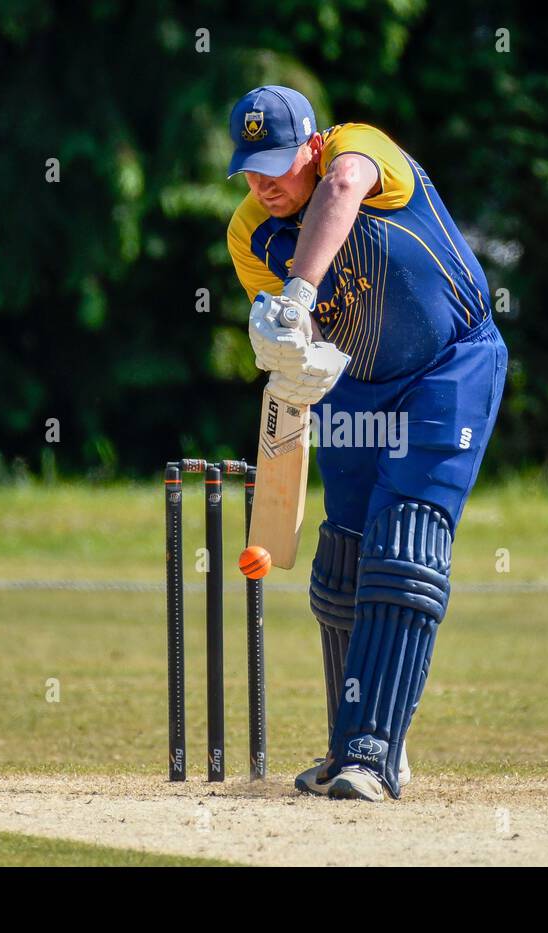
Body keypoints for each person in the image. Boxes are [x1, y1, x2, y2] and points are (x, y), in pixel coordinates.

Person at [225, 85, 507, 801]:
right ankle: (354, 741)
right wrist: (291, 349)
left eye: (280, 165)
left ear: (313, 145)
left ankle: (373, 755)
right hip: (356, 382)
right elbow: (309, 342)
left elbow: (345, 189)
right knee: (343, 565)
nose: (265, 183)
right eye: (252, 169)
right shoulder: (249, 232)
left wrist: (297, 290)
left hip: (451, 365)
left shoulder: (357, 149)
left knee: (404, 547)